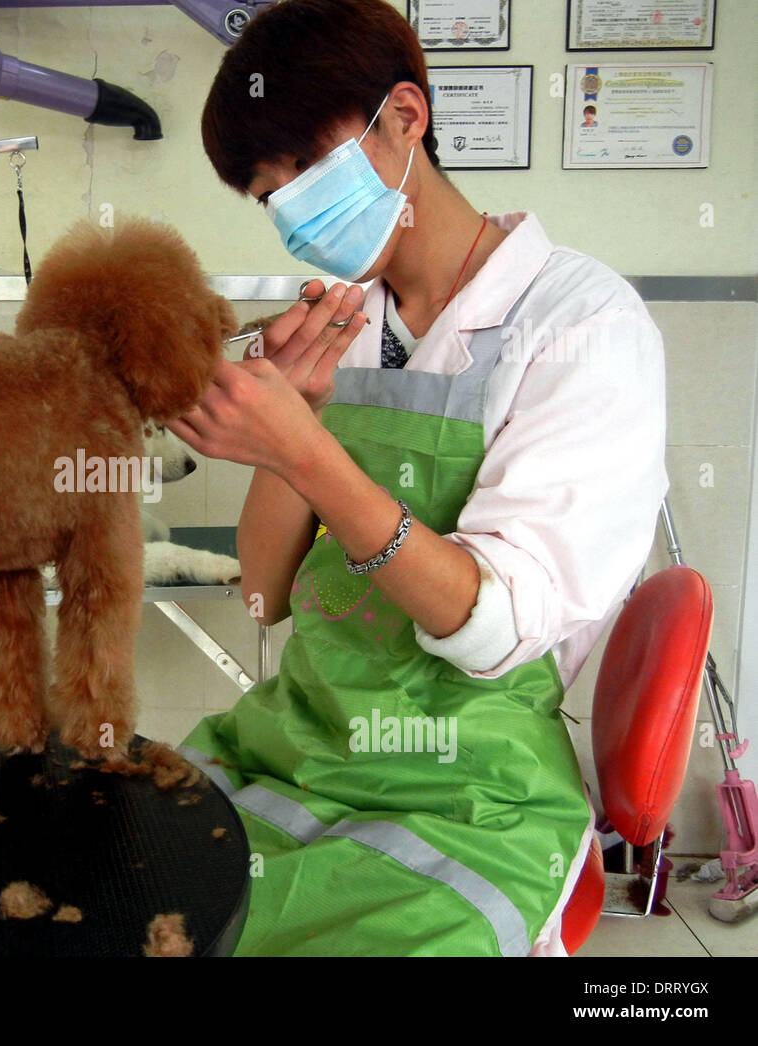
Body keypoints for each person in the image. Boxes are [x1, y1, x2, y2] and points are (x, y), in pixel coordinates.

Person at [166, 0, 668, 956]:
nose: (289, 215)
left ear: (404, 117)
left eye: (304, 172)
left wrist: (307, 451)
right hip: (295, 745)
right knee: (118, 889)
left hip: (465, 790)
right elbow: (267, 596)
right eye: (268, 197)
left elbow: (488, 632)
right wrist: (293, 424)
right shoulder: (347, 324)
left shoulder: (579, 325)